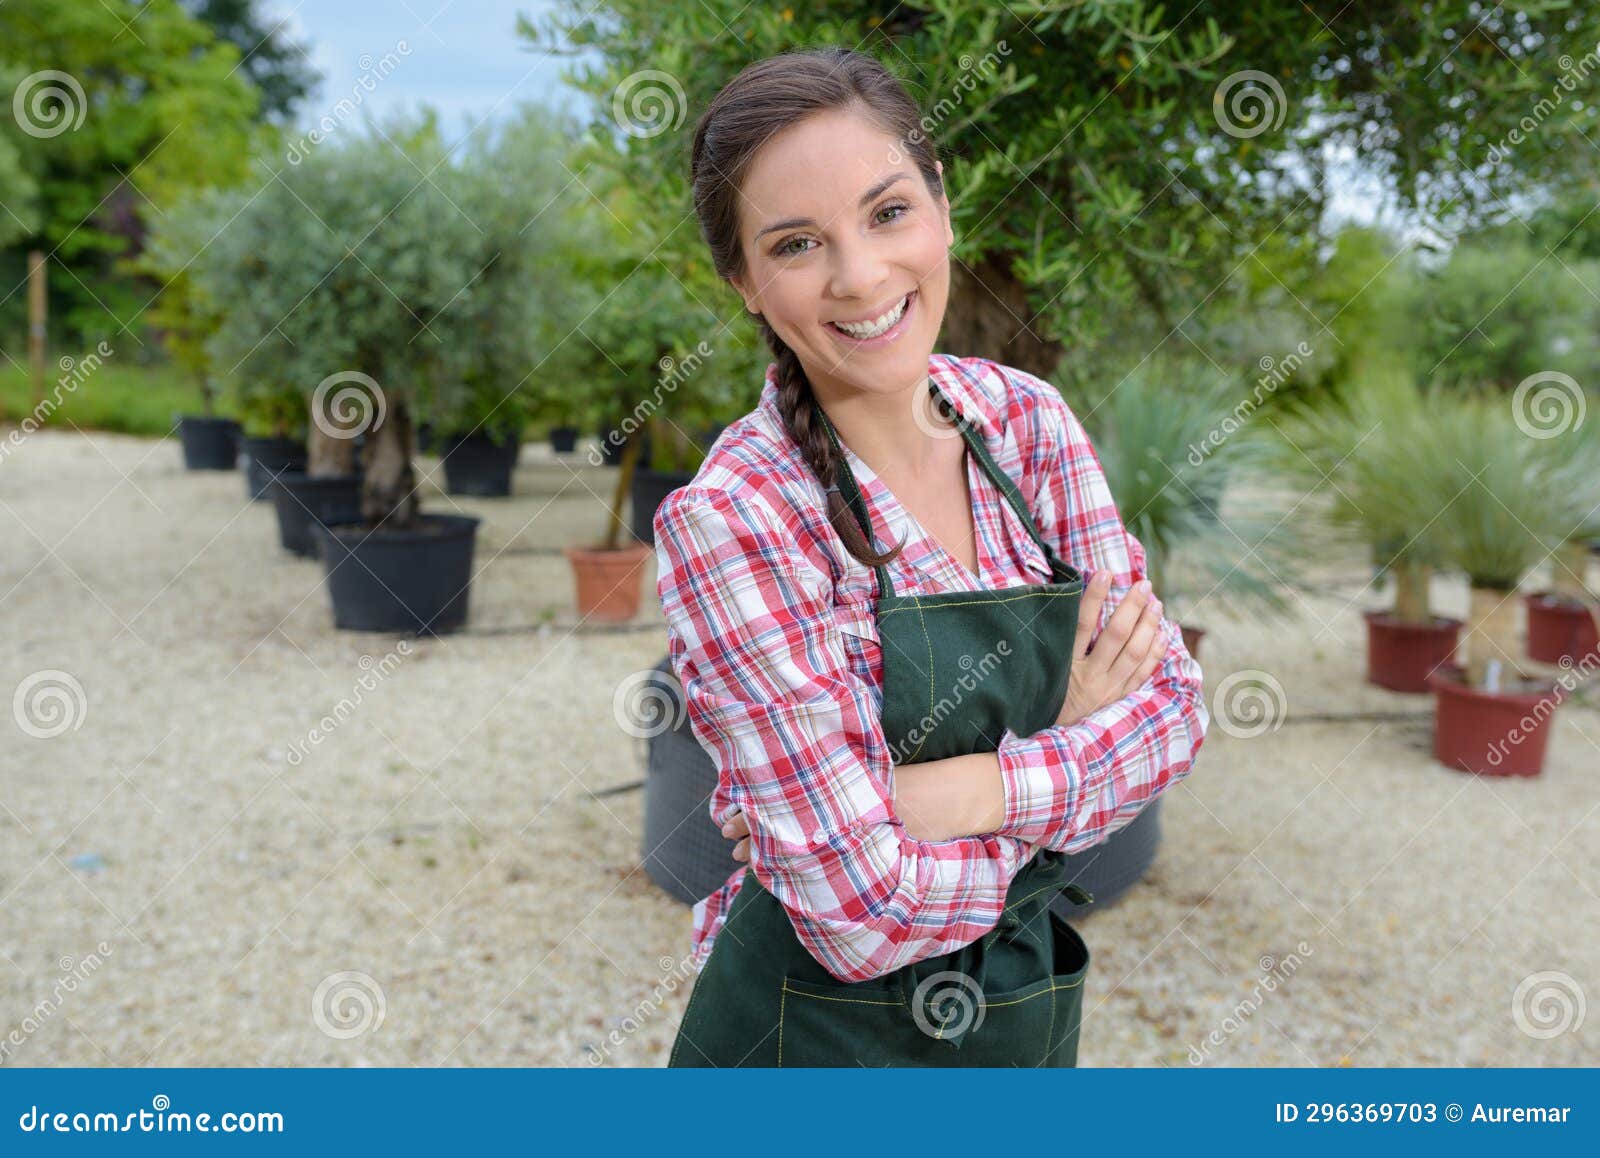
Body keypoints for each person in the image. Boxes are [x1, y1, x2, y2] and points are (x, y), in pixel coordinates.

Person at [653, 45, 1210, 1067]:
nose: (859, 276)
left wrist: (949, 797)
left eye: (889, 212)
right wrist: (1076, 733)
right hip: (811, 1047)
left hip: (1017, 1020)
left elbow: (1174, 712)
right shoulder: (736, 519)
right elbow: (861, 918)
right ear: (742, 282)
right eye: (794, 244)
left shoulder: (1026, 423)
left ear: (942, 205)